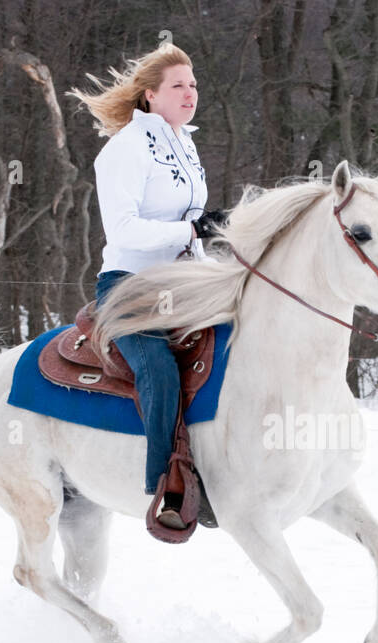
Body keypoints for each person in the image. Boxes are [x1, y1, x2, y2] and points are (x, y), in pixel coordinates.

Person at [68, 44, 228, 529]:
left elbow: (191, 223)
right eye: (178, 85)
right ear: (150, 94)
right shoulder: (124, 149)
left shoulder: (186, 143)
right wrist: (192, 230)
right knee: (157, 367)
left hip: (186, 282)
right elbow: (124, 231)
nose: (190, 93)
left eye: (194, 84)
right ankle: (170, 483)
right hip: (129, 286)